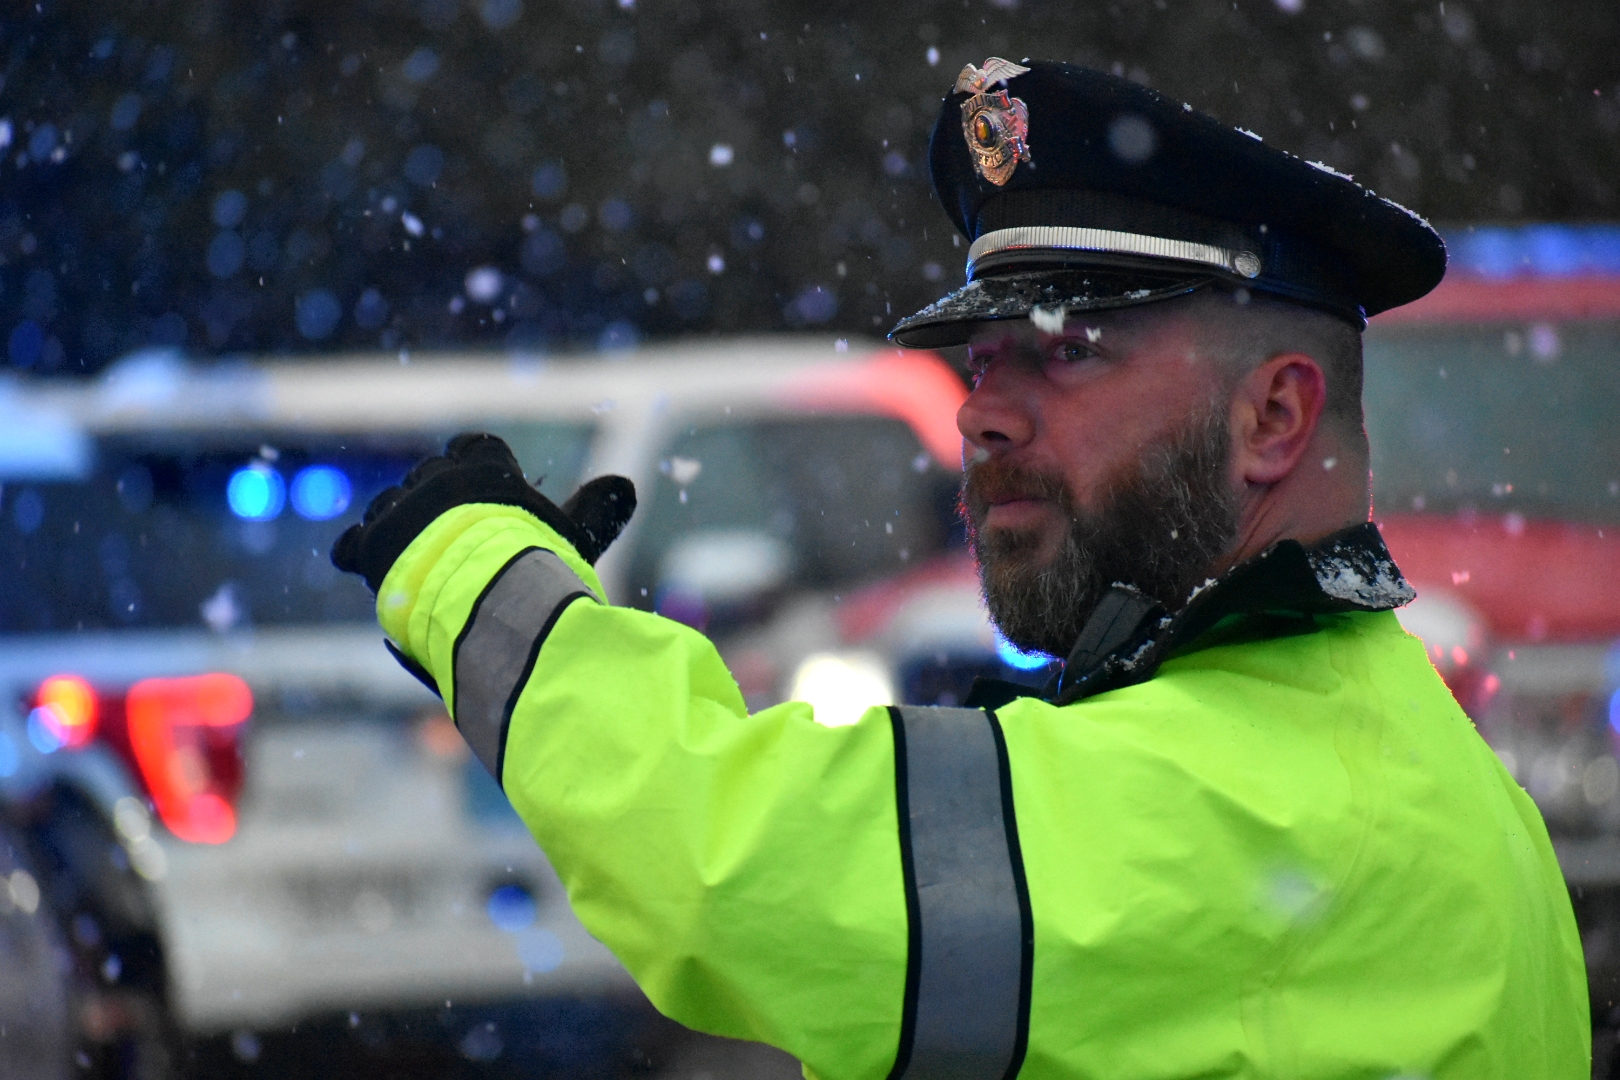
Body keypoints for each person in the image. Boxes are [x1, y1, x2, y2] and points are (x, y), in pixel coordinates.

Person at [332, 60, 1587, 1079]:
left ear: (1274, 418)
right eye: (984, 359)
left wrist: (479, 580)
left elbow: (730, 862)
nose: (982, 413)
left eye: (1070, 349)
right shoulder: (1397, 750)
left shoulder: (1259, 801)